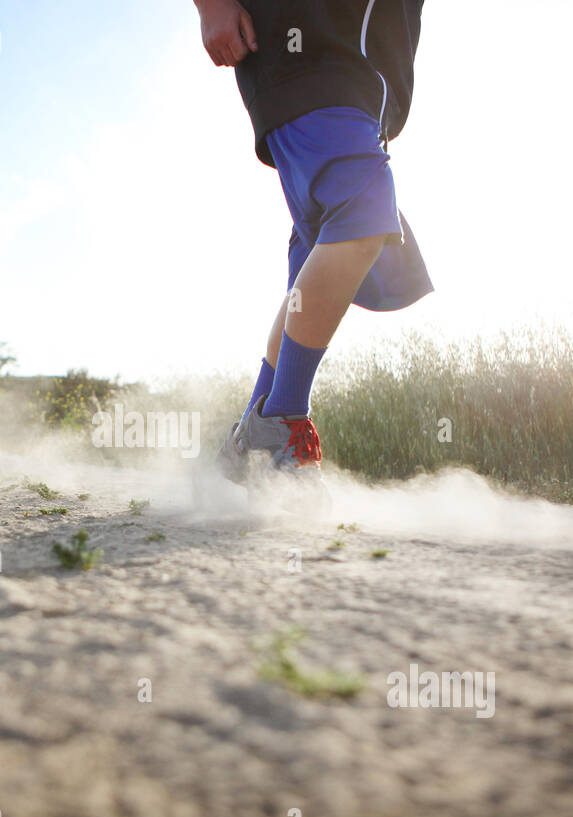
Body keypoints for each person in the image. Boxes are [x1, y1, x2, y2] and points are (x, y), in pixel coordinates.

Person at [193, 0, 432, 497]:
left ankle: (245, 449)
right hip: (308, 52)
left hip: (360, 91)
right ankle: (282, 423)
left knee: (314, 258)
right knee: (363, 215)